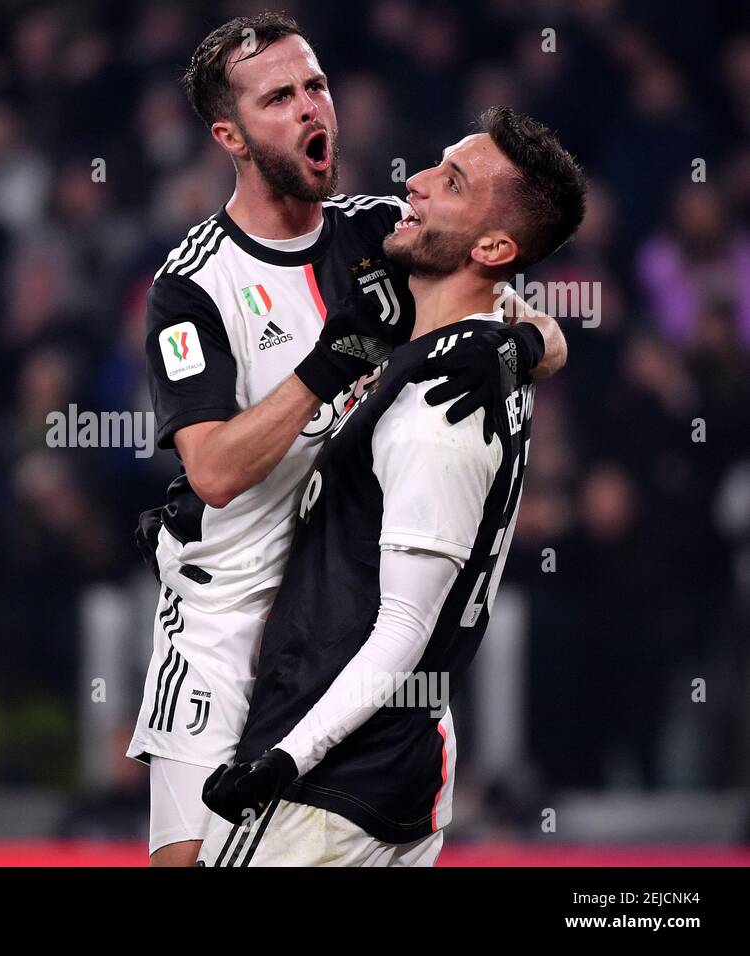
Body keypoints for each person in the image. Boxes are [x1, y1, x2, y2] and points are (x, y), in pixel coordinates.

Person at [128, 12, 565, 865]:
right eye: (278, 97)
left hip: (335, 604)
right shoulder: (192, 286)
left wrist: (524, 345)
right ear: (232, 136)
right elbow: (213, 471)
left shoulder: (382, 234)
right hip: (225, 612)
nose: (308, 108)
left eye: (315, 85)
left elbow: (526, 308)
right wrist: (330, 367)